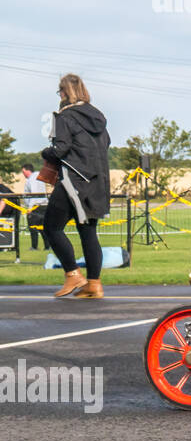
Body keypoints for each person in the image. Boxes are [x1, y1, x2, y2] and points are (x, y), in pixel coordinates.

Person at [41, 75, 112, 298]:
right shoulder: (98, 116)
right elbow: (107, 143)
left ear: (65, 92)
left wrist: (45, 153)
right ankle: (94, 284)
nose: (59, 96)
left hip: (73, 179)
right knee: (88, 231)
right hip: (97, 181)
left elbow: (61, 148)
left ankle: (73, 274)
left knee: (51, 228)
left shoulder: (64, 116)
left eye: (59, 92)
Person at [21, 162, 48, 250]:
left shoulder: (32, 179)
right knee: (42, 228)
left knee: (33, 227)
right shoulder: (39, 176)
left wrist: (30, 208)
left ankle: (34, 246)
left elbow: (34, 193)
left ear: (27, 171)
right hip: (44, 205)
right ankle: (47, 246)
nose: (23, 174)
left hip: (35, 206)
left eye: (23, 171)